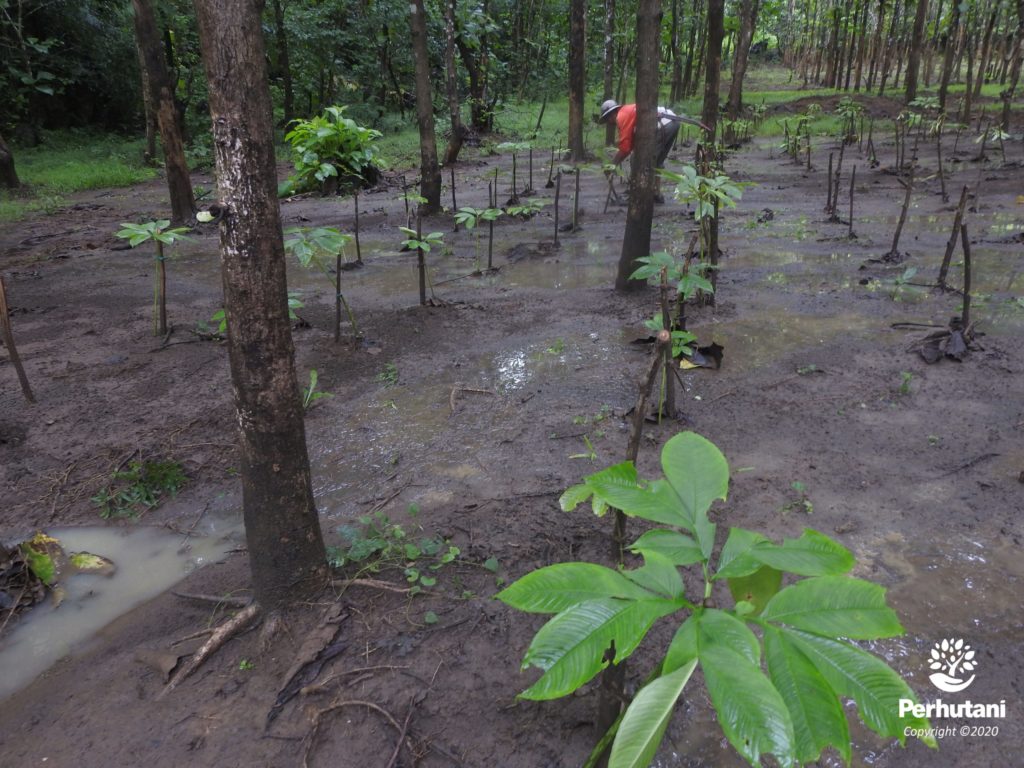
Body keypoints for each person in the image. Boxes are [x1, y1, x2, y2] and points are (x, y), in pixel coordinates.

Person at [599, 99, 708, 202]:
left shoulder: (621, 116)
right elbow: (631, 144)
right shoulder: (628, 111)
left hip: (663, 125)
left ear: (611, 115)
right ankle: (656, 193)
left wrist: (612, 165)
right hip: (673, 122)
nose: (609, 122)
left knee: (638, 159)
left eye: (607, 119)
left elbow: (625, 148)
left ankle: (640, 193)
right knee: (656, 161)